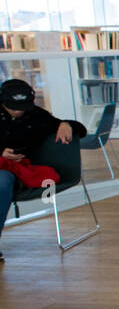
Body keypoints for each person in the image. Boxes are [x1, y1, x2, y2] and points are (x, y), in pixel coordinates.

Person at [0, 79, 87, 262]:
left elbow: (81, 129)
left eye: (22, 106)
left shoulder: (35, 115)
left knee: (2, 181)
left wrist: (66, 124)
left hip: (17, 170)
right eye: (13, 107)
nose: (19, 111)